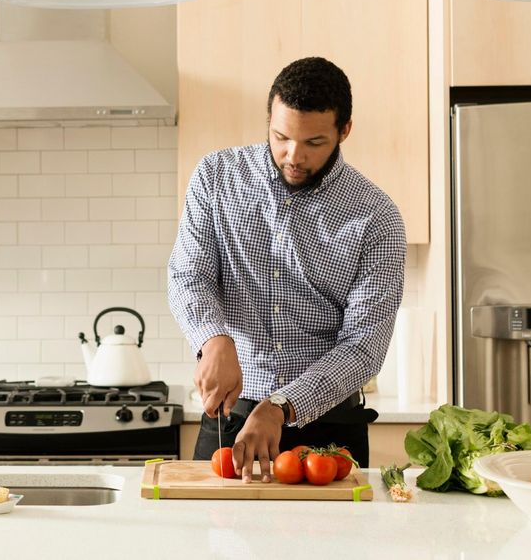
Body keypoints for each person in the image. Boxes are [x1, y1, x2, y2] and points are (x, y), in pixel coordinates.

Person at [168, 56, 406, 483]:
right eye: (280, 137)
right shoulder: (216, 177)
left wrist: (280, 405)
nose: (293, 156)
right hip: (230, 418)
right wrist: (213, 338)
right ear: (269, 120)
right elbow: (189, 274)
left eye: (313, 142)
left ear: (344, 130)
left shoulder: (376, 217)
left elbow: (364, 346)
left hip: (327, 431)